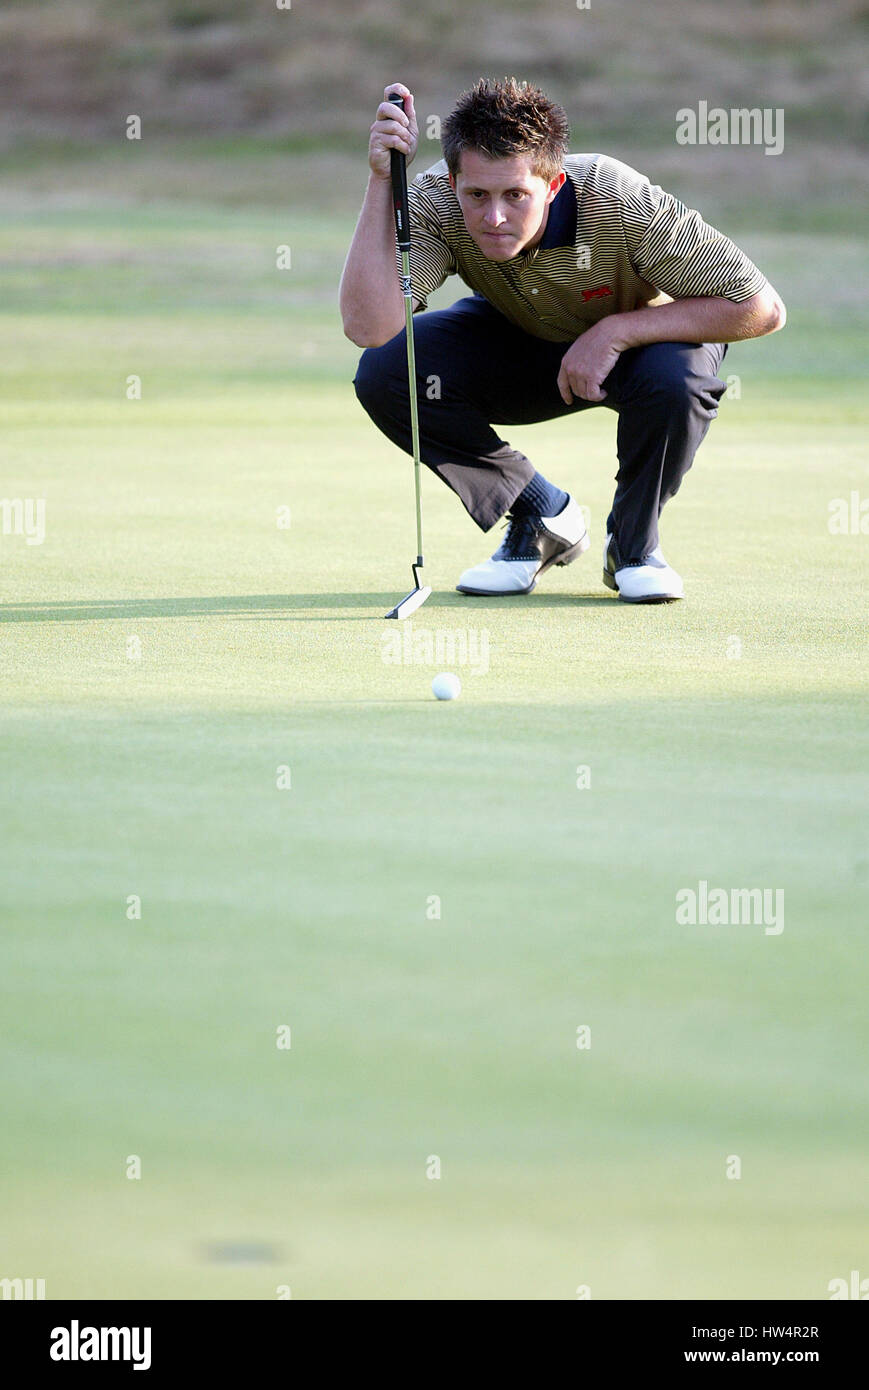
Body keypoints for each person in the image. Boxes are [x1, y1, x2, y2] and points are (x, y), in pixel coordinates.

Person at [340, 78, 786, 602]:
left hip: (647, 348)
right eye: (476, 195)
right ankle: (539, 514)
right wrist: (380, 184)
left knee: (679, 379)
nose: (494, 217)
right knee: (389, 370)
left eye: (516, 196)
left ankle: (634, 546)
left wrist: (617, 331)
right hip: (524, 336)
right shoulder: (436, 202)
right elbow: (369, 328)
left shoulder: (619, 199)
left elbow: (761, 307)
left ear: (553, 186)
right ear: (454, 179)